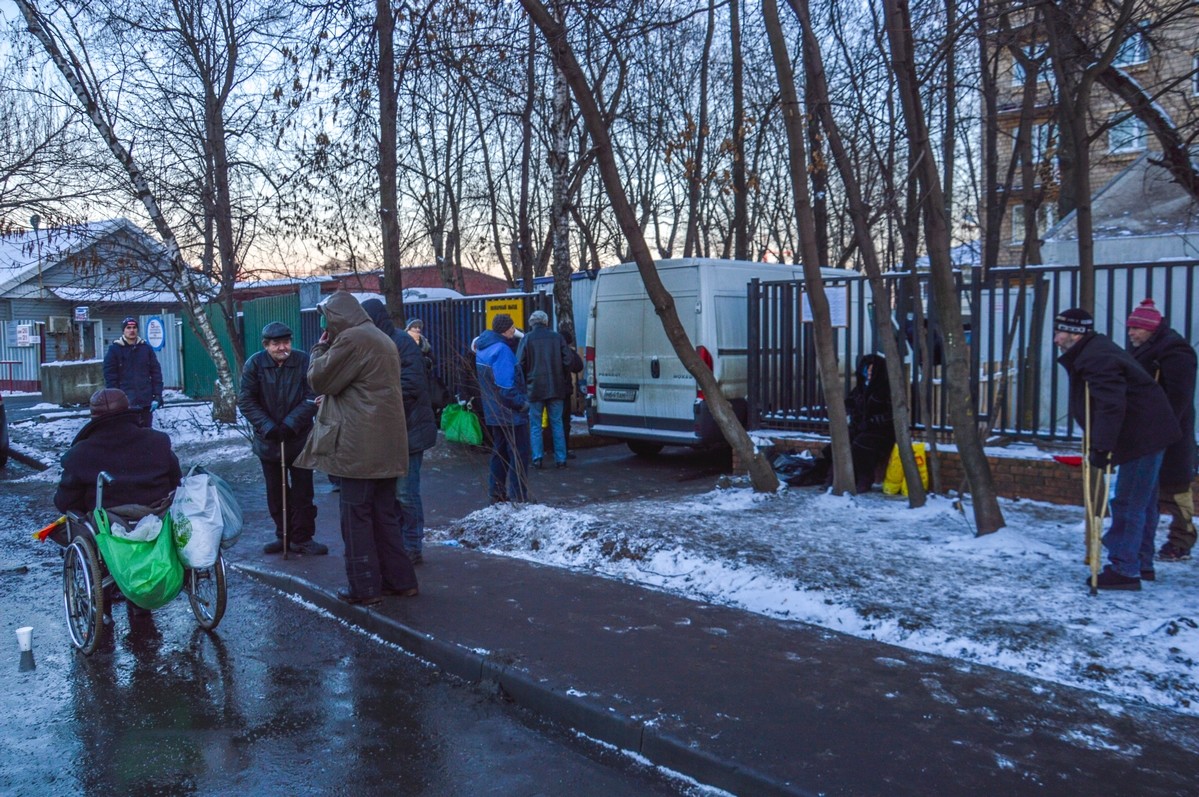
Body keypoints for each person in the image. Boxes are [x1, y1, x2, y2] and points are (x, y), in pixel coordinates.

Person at [295, 292, 417, 606]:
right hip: (387, 446)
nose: (325, 323)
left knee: (356, 520)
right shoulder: (380, 337)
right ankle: (400, 581)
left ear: (337, 316)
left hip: (358, 448)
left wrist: (320, 347)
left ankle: (365, 588)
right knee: (384, 517)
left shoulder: (351, 340)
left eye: (327, 317)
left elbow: (319, 380)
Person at [1055, 308, 1180, 590]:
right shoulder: (1095, 349)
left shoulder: (1096, 357)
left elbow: (1111, 404)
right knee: (1143, 501)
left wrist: (1101, 446)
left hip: (1142, 436)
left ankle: (1125, 570)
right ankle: (1140, 561)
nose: (1056, 339)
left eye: (1060, 332)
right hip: (1150, 431)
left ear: (1076, 333)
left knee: (1128, 502)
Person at [55, 388, 181, 621]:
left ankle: (104, 605)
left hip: (109, 528)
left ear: (93, 417)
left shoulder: (81, 453)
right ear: (128, 409)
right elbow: (176, 479)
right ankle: (140, 603)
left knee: (84, 528)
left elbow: (65, 501)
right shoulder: (157, 441)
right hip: (156, 518)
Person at [237, 321, 325, 556]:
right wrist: (268, 426)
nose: (282, 348)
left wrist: (290, 424)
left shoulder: (303, 360)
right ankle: (282, 534)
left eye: (286, 342)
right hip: (269, 440)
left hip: (299, 439)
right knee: (276, 491)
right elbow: (246, 400)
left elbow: (313, 395)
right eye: (276, 344)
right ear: (267, 345)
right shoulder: (255, 364)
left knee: (303, 491)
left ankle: (303, 537)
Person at [363, 299, 437, 564]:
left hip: (409, 431)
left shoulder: (402, 343)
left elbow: (411, 386)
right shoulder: (371, 345)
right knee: (390, 494)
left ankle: (412, 545)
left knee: (406, 493)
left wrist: (377, 404)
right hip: (387, 432)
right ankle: (396, 545)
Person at [1125, 299, 1197, 564]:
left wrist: (1165, 430)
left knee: (1176, 491)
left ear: (1151, 329)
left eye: (1136, 328)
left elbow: (1179, 396)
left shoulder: (1175, 351)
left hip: (1171, 432)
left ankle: (1182, 540)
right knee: (1149, 492)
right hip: (1148, 432)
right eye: (1130, 328)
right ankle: (1147, 545)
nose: (1131, 333)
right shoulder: (1142, 348)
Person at [475, 313, 531, 503]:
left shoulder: (485, 347)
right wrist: (522, 404)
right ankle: (518, 496)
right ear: (507, 330)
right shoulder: (502, 351)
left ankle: (496, 492)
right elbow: (506, 387)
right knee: (519, 455)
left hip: (495, 412)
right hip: (510, 413)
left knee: (500, 454)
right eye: (512, 327)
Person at [820, 354, 894, 493]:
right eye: (867, 370)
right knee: (841, 443)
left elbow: (891, 414)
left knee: (860, 445)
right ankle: (833, 479)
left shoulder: (885, 389)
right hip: (860, 427)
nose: (869, 374)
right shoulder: (861, 388)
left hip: (880, 431)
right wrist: (851, 414)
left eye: (872, 371)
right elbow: (850, 403)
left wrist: (872, 422)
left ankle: (864, 480)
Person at [516, 310, 574, 470]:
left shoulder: (527, 339)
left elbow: (519, 364)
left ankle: (537, 458)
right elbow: (568, 360)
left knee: (535, 424)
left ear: (532, 323)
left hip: (534, 388)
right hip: (556, 387)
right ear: (546, 322)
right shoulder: (557, 338)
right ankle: (561, 458)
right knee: (557, 423)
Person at [103, 316, 163, 428]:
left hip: (145, 402)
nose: (132, 330)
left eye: (134, 327)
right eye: (128, 327)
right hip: (125, 403)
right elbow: (110, 377)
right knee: (128, 435)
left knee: (145, 434)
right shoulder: (114, 350)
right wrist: (115, 399)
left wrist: (157, 396)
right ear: (123, 330)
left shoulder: (146, 349)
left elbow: (156, 373)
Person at [559, 327, 584, 459]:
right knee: (563, 421)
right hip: (563, 390)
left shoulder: (549, 349)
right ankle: (563, 449)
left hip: (543, 391)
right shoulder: (566, 351)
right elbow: (578, 366)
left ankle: (543, 451)